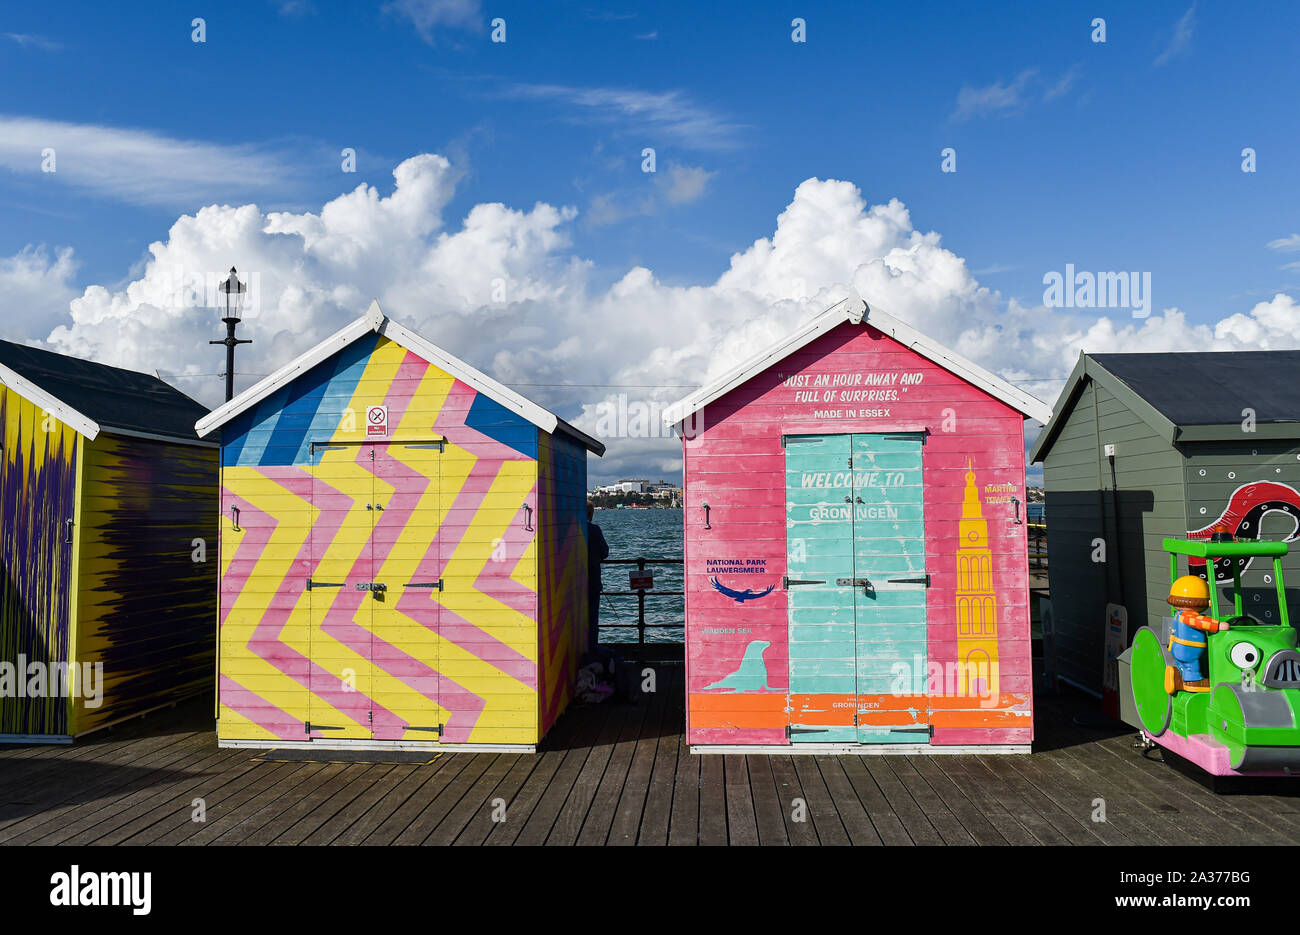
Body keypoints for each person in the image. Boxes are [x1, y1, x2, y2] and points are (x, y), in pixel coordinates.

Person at [1165, 574, 1230, 693]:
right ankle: (1194, 683)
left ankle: (1177, 678)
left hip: (1178, 647)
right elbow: (1201, 622)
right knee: (1192, 668)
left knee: (1184, 667)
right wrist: (1219, 625)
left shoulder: (1178, 615)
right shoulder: (1189, 616)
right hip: (1188, 650)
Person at [586, 502, 610, 663]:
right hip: (592, 581)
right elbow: (605, 552)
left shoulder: (572, 530)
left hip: (571, 583)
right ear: (591, 513)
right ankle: (591, 649)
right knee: (592, 618)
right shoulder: (594, 530)